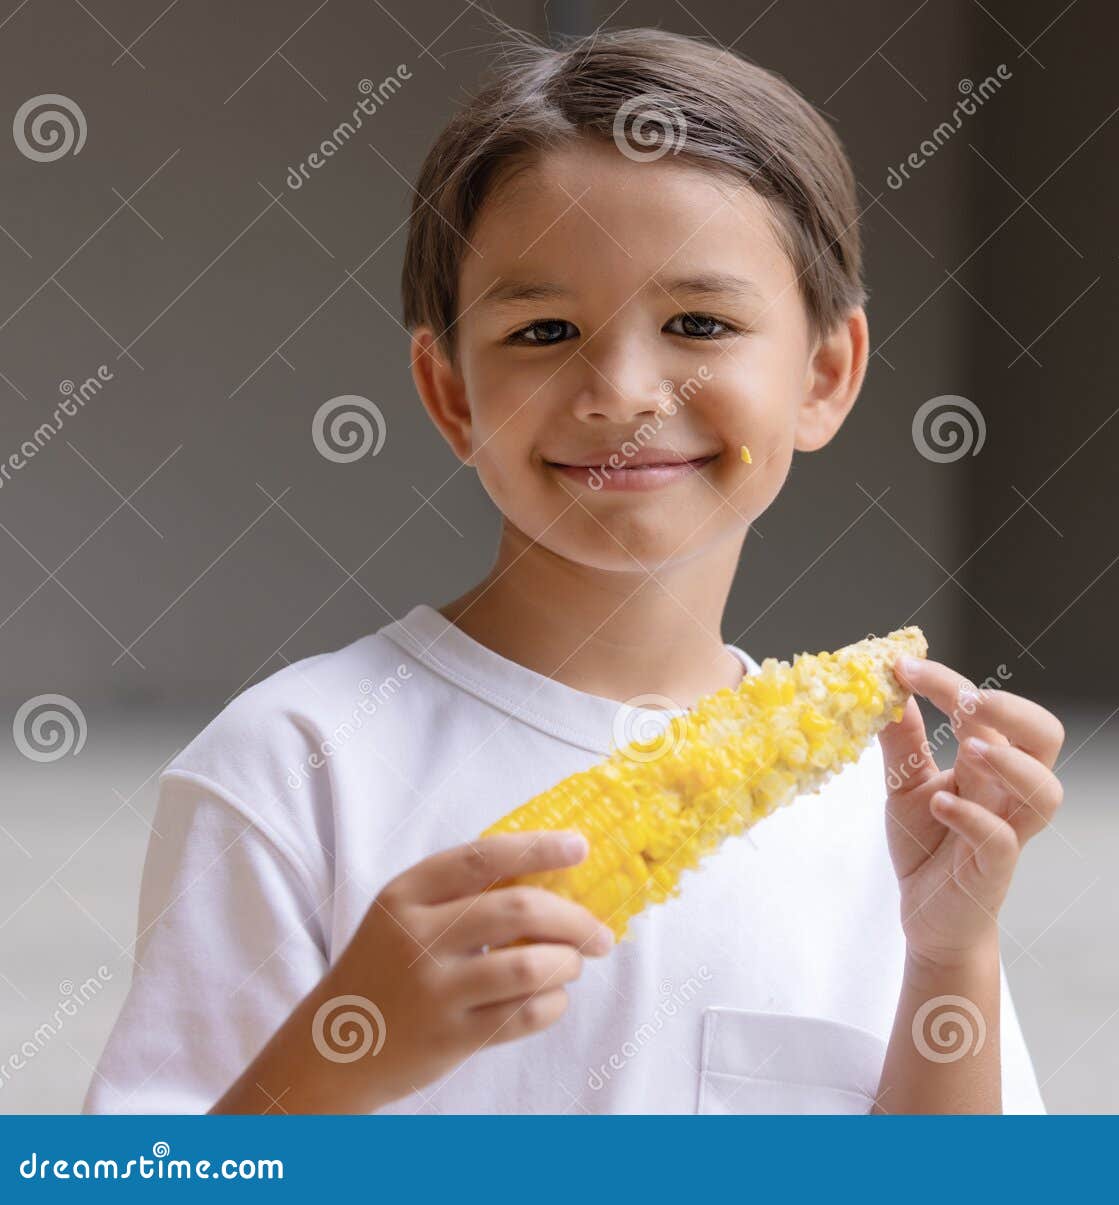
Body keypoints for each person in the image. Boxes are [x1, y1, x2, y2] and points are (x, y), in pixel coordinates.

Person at [85, 25, 1065, 1115]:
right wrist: (344, 1048)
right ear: (451, 393)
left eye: (699, 322)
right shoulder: (296, 769)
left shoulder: (878, 809)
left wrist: (949, 954)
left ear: (824, 373)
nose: (623, 391)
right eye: (545, 329)